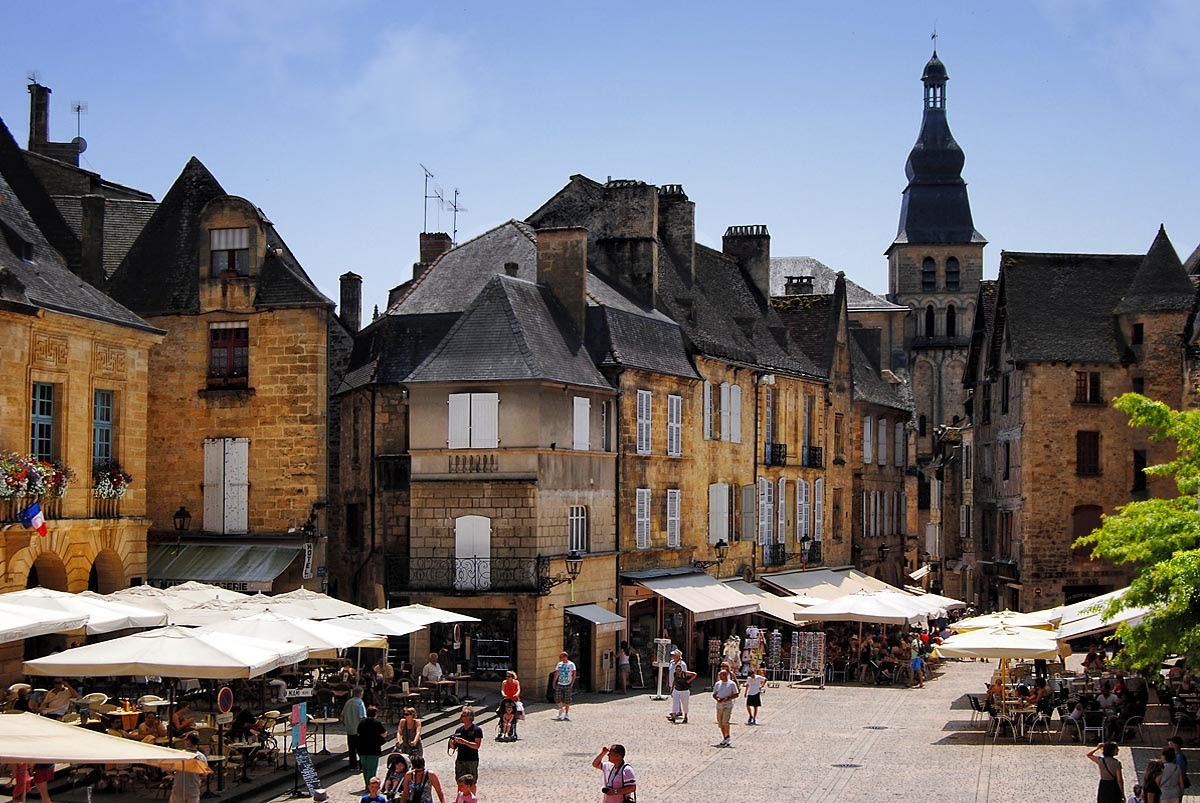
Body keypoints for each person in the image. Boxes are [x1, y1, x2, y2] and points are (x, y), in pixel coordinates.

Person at [169, 731, 208, 803]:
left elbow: (170, 770)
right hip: (193, 787)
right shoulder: (201, 757)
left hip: (179, 787)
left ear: (188, 742)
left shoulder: (179, 755)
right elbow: (204, 775)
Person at [357, 706, 388, 791]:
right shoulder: (377, 723)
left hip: (362, 748)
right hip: (373, 749)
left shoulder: (362, 722)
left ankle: (367, 784)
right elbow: (384, 734)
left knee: (365, 769)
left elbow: (358, 733)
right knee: (372, 768)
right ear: (375, 714)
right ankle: (370, 785)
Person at [449, 708, 483, 784]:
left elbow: (477, 745)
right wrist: (451, 743)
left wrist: (464, 742)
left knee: (472, 782)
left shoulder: (477, 730)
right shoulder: (459, 731)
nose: (460, 717)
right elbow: (454, 747)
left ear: (469, 717)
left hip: (472, 760)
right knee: (459, 781)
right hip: (460, 759)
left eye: (462, 716)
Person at [712, 667, 740, 748]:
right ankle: (725, 737)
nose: (721, 676)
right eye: (720, 675)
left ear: (726, 675)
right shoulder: (718, 684)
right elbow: (714, 694)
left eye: (723, 675)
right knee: (720, 723)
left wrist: (728, 698)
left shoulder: (731, 684)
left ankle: (728, 736)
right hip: (719, 705)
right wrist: (717, 699)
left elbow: (736, 694)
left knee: (725, 721)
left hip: (728, 705)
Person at [342, 687, 367, 771]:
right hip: (358, 729)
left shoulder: (348, 702)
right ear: (361, 694)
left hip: (349, 729)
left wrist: (345, 723)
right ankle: (362, 766)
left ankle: (352, 766)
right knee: (361, 749)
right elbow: (362, 717)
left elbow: (343, 715)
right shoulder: (360, 702)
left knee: (351, 749)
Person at [553, 651, 577, 721]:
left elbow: (574, 674)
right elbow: (557, 673)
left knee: (567, 699)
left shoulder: (571, 664)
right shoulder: (559, 664)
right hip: (560, 683)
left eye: (561, 657)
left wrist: (572, 683)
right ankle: (561, 708)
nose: (560, 658)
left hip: (567, 684)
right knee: (557, 698)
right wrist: (554, 682)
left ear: (565, 657)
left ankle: (566, 713)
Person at [666, 649, 686, 722]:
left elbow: (684, 674)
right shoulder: (671, 663)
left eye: (674, 655)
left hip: (678, 683)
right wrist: (668, 681)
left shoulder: (682, 664)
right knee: (675, 697)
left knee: (677, 697)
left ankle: (677, 711)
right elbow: (670, 672)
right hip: (672, 682)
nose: (672, 656)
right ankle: (678, 710)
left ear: (677, 656)